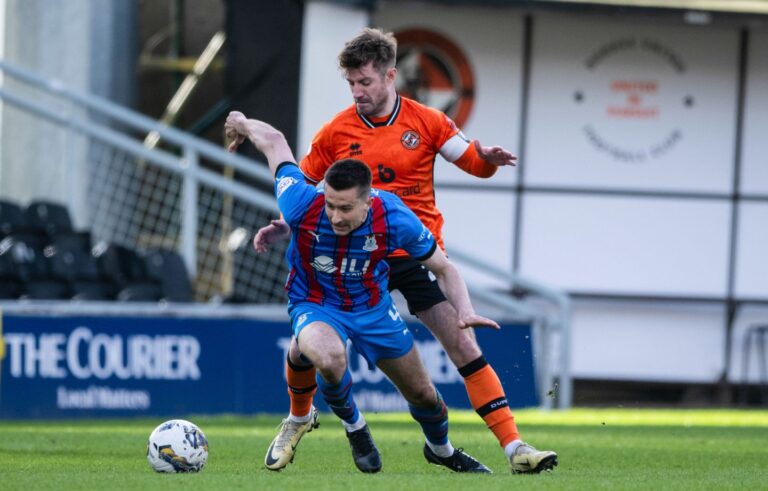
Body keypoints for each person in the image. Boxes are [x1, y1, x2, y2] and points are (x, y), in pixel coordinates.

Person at [254, 28, 557, 475]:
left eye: (366, 82)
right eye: (351, 84)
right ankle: (304, 415)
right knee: (317, 348)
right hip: (353, 259)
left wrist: (486, 160)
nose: (358, 92)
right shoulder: (335, 132)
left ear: (391, 75)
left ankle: (514, 448)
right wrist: (286, 225)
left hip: (410, 254)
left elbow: (469, 159)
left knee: (461, 341)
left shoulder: (427, 122)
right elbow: (308, 193)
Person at [225, 111, 499, 474]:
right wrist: (241, 122)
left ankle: (442, 449)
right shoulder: (301, 202)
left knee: (424, 396)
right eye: (331, 205)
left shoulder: (394, 216)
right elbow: (274, 140)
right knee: (327, 356)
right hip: (316, 302)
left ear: (369, 202)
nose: (336, 216)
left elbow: (444, 268)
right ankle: (355, 427)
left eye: (346, 208)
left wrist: (463, 310)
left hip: (372, 307)